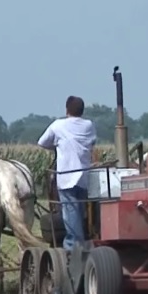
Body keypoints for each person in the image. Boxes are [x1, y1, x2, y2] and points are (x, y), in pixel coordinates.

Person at [37, 95, 98, 251]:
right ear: (82, 111)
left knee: (70, 213)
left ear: (67, 110)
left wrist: (57, 146)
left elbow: (42, 142)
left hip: (67, 177)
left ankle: (74, 247)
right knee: (82, 211)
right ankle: (87, 238)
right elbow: (92, 143)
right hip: (84, 177)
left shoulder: (58, 125)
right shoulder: (89, 125)